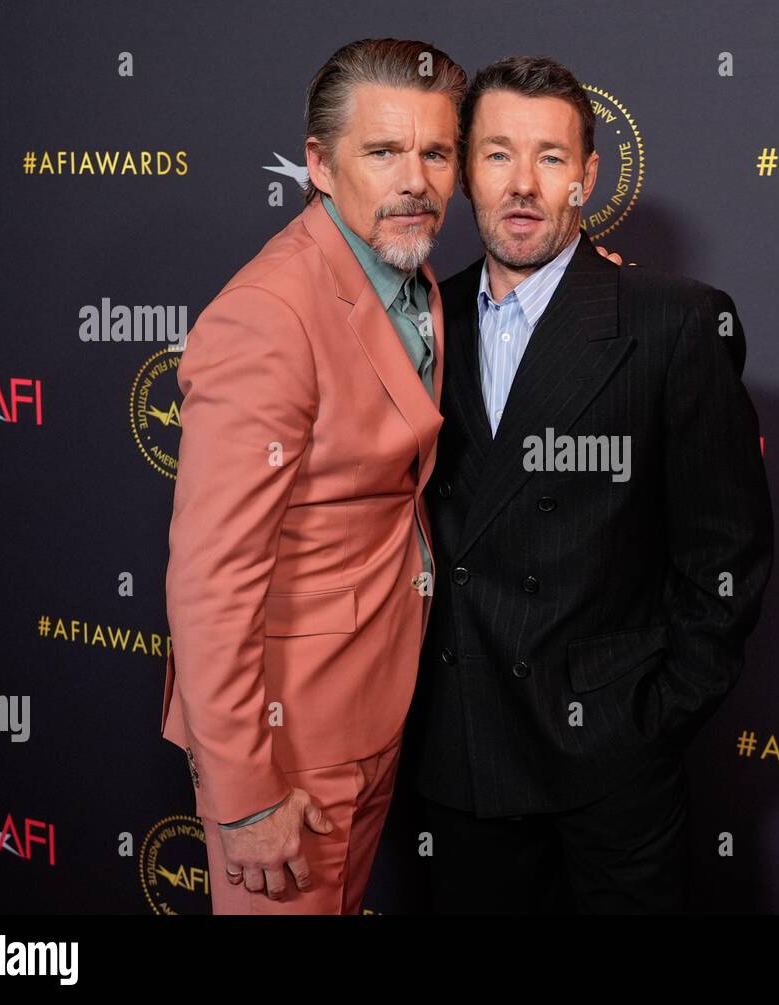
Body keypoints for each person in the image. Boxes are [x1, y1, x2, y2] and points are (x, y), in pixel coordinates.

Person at [404, 54, 774, 913]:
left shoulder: (673, 322)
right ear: (464, 172)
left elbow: (728, 551)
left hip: (609, 771)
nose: (524, 184)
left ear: (588, 176)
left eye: (552, 158)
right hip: (458, 756)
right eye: (498, 155)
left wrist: (650, 720)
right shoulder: (421, 317)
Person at [161, 38, 465, 914]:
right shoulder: (267, 318)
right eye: (383, 152)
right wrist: (248, 795)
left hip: (373, 702)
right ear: (320, 167)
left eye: (436, 152)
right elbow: (211, 581)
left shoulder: (406, 267)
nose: (416, 180)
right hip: (283, 742)